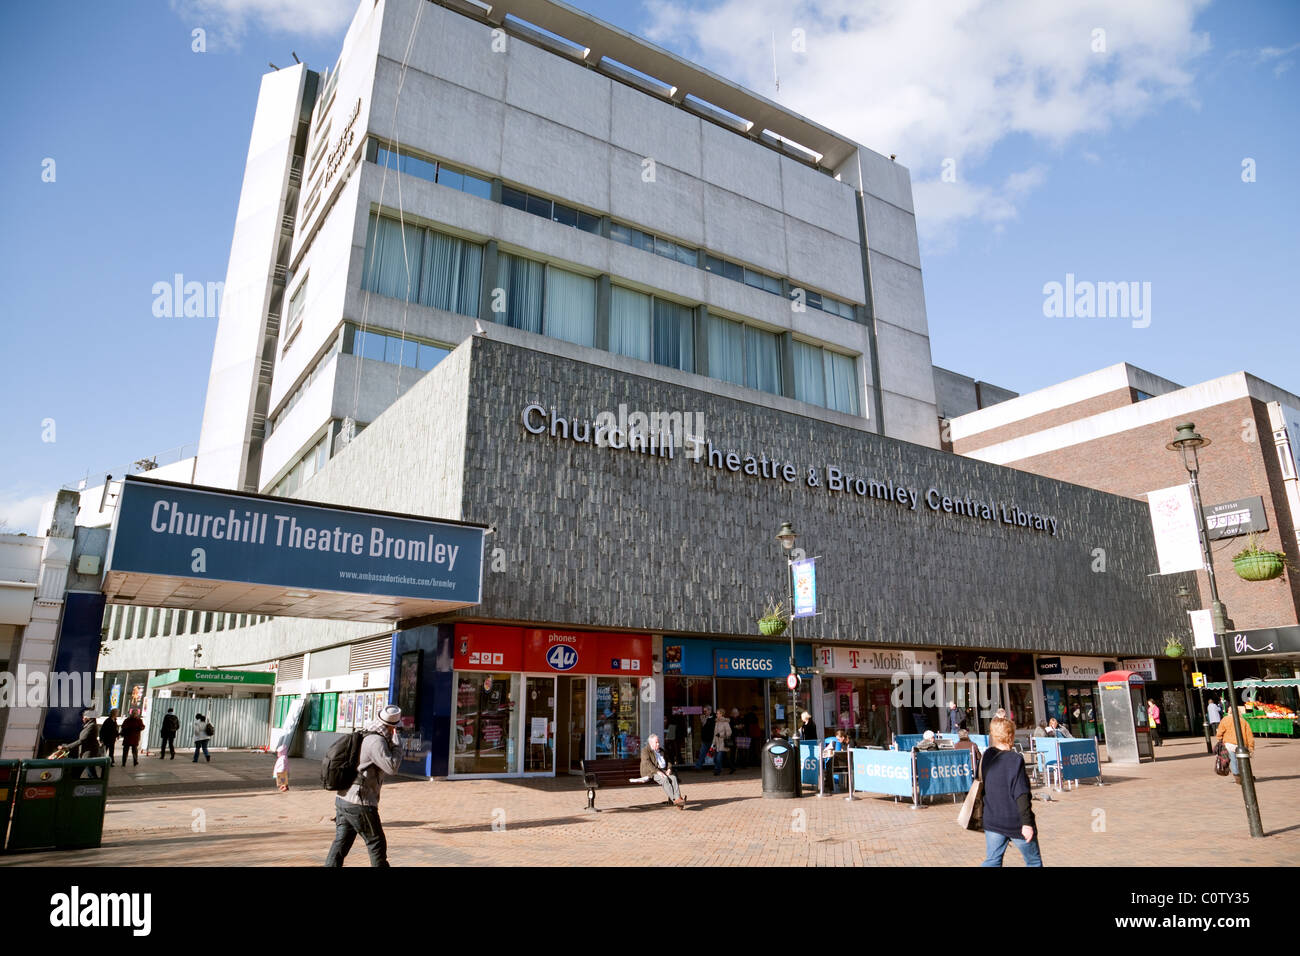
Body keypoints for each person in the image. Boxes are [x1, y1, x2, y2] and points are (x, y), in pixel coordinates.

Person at [325, 704, 404, 866]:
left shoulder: (365, 733)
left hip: (344, 799)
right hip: (359, 802)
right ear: (392, 727)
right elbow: (392, 767)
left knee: (340, 844)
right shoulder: (376, 741)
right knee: (376, 844)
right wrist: (397, 745)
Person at [979, 716, 1042, 867]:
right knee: (1033, 862)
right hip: (1015, 822)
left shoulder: (986, 756)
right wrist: (1027, 823)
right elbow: (1021, 794)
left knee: (992, 861)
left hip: (992, 819)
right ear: (1011, 735)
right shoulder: (1015, 759)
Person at [640, 733, 685, 808]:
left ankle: (678, 799)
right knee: (664, 779)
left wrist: (669, 769)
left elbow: (669, 761)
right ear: (651, 743)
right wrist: (658, 772)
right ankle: (675, 800)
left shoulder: (661, 751)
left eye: (658, 742)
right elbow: (647, 763)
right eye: (656, 742)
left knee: (673, 778)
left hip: (662, 771)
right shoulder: (645, 751)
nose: (658, 744)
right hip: (651, 772)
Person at [1215, 712, 1255, 784]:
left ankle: (1237, 778)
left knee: (1233, 761)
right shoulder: (1243, 721)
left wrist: (1219, 738)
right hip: (1242, 745)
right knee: (1244, 761)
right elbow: (1249, 735)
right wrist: (1251, 746)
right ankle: (1247, 776)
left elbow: (1219, 732)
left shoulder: (1225, 720)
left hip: (1229, 744)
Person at [63, 710, 103, 778]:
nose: (83, 718)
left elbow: (81, 740)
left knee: (90, 773)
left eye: (84, 716)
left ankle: (97, 786)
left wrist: (67, 747)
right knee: (79, 773)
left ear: (89, 717)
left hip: (88, 754)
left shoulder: (92, 726)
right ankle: (75, 784)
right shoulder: (88, 725)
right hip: (85, 754)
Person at [712, 708, 733, 775]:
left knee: (718, 758)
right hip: (717, 743)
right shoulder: (716, 722)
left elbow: (729, 733)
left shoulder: (725, 722)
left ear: (721, 714)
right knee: (717, 758)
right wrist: (713, 743)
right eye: (716, 713)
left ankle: (718, 770)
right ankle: (732, 767)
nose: (716, 714)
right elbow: (715, 735)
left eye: (717, 713)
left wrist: (720, 735)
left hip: (723, 743)